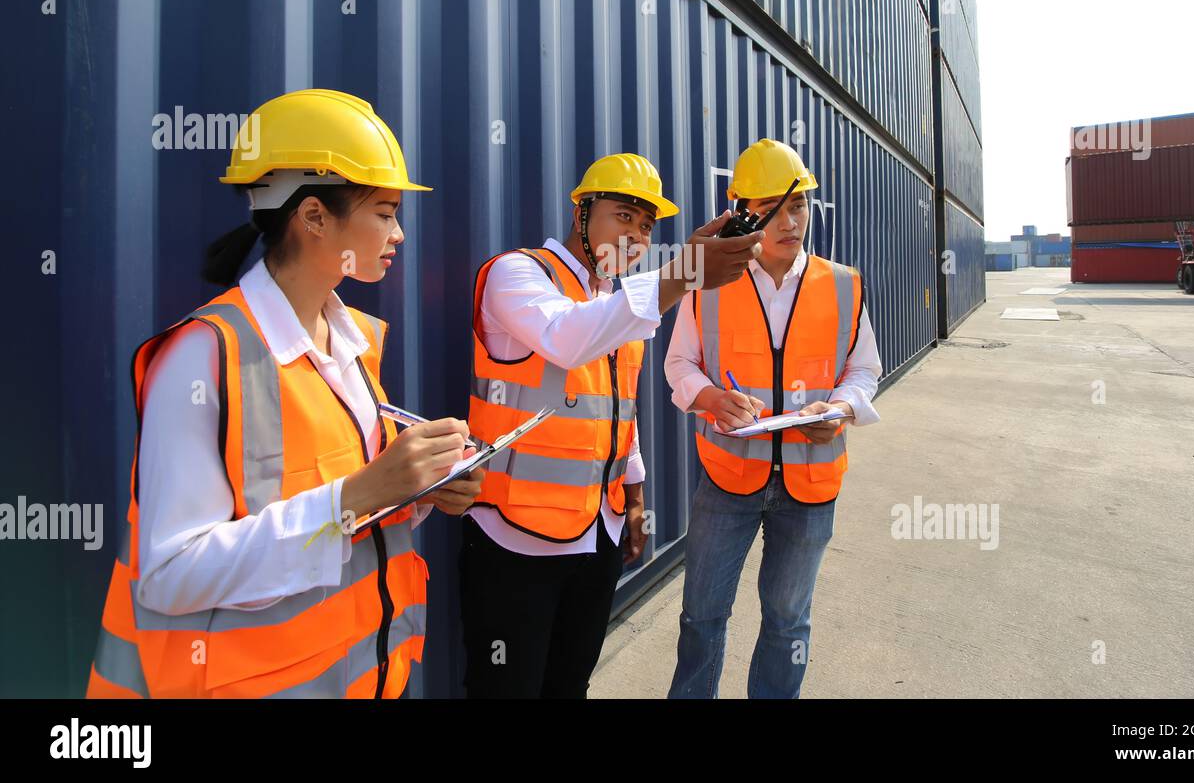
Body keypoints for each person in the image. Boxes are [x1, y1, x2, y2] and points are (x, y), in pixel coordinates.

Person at [86, 88, 482, 699]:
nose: (399, 232)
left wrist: (419, 489)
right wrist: (363, 492)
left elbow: (343, 507)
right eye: (384, 212)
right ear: (315, 217)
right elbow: (168, 575)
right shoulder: (204, 356)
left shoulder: (349, 340)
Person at [460, 152, 764, 698]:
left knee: (569, 684)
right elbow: (566, 339)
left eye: (647, 226)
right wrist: (685, 272)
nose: (636, 235)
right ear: (581, 212)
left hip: (598, 531)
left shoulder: (616, 301)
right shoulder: (517, 274)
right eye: (622, 215)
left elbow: (621, 408)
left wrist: (636, 497)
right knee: (505, 689)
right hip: (514, 539)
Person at [664, 138, 884, 699]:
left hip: (811, 486)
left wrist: (838, 408)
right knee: (701, 617)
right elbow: (679, 364)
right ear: (740, 209)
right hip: (728, 479)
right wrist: (709, 397)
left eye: (799, 205)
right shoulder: (708, 280)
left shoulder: (843, 283)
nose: (791, 221)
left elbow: (864, 372)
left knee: (788, 623)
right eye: (772, 208)